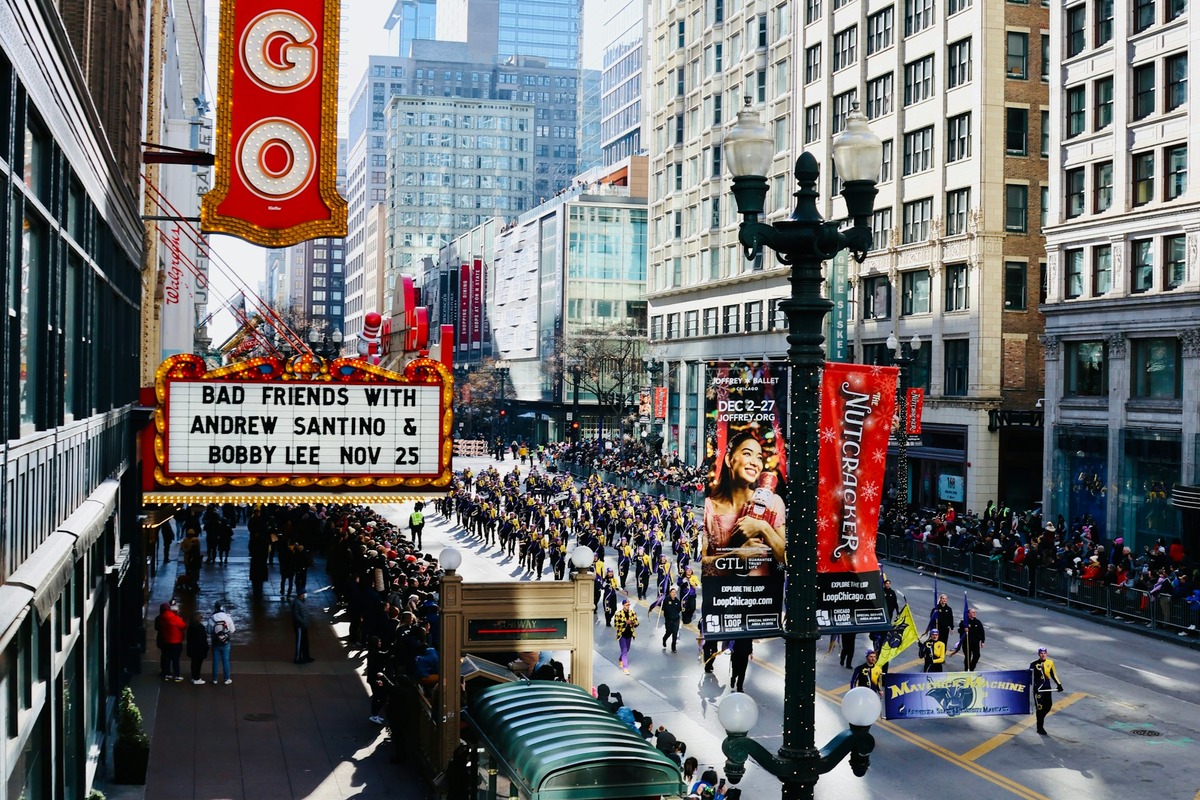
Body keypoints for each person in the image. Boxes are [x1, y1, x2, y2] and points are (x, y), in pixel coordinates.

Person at [701, 432, 786, 576]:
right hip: (722, 594)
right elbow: (700, 564)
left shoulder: (773, 502)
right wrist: (735, 557)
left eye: (759, 458)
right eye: (747, 454)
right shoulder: (709, 508)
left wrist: (762, 527)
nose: (755, 462)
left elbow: (785, 558)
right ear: (729, 459)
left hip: (761, 595)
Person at [1030, 646, 1064, 735]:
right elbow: (1029, 675)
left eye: (1045, 653)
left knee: (1048, 706)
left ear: (1047, 654)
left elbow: (1053, 675)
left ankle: (1041, 719)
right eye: (1041, 653)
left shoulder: (1050, 662)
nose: (1043, 655)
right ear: (1039, 654)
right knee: (1040, 708)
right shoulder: (1033, 664)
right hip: (1038, 689)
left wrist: (1059, 684)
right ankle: (1040, 727)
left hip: (1047, 688)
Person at [209, 601, 236, 685]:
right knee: (225, 660)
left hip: (215, 642)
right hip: (225, 642)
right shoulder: (227, 618)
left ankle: (214, 679)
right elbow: (232, 630)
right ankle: (227, 678)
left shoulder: (211, 618)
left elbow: (209, 631)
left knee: (215, 661)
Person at [614, 599, 639, 675]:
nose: (628, 606)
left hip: (629, 634)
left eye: (629, 605)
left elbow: (637, 623)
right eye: (626, 605)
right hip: (622, 635)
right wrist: (625, 623)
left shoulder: (632, 613)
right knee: (624, 650)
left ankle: (621, 658)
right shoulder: (618, 614)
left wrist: (632, 622)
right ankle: (625, 667)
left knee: (627, 649)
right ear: (623, 605)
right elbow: (616, 625)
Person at [186, 611, 210, 684]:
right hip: (199, 650)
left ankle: (194, 677)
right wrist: (206, 647)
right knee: (198, 664)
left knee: (193, 663)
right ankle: (197, 678)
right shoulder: (200, 627)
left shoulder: (190, 627)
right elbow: (202, 639)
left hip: (192, 649)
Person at [292, 591, 314, 663]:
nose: (305, 594)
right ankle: (297, 658)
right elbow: (296, 615)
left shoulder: (302, 601)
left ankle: (306, 656)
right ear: (300, 595)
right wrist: (303, 621)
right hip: (300, 626)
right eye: (303, 593)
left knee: (305, 641)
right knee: (299, 641)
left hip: (304, 625)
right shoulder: (297, 603)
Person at [661, 587, 682, 652]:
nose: (674, 594)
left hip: (676, 620)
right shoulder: (666, 600)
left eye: (675, 592)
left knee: (675, 633)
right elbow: (663, 608)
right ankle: (664, 639)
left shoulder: (677, 601)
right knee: (668, 632)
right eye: (672, 592)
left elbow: (679, 609)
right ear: (670, 593)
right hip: (669, 620)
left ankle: (673, 647)